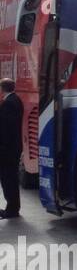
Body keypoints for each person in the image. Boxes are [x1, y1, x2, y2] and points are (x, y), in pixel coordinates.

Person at [0, 79, 21, 218]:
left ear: (3, 89)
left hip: (7, 149)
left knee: (8, 179)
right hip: (13, 147)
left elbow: (6, 129)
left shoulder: (8, 103)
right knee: (11, 178)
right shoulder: (16, 100)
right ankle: (13, 207)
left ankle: (11, 209)